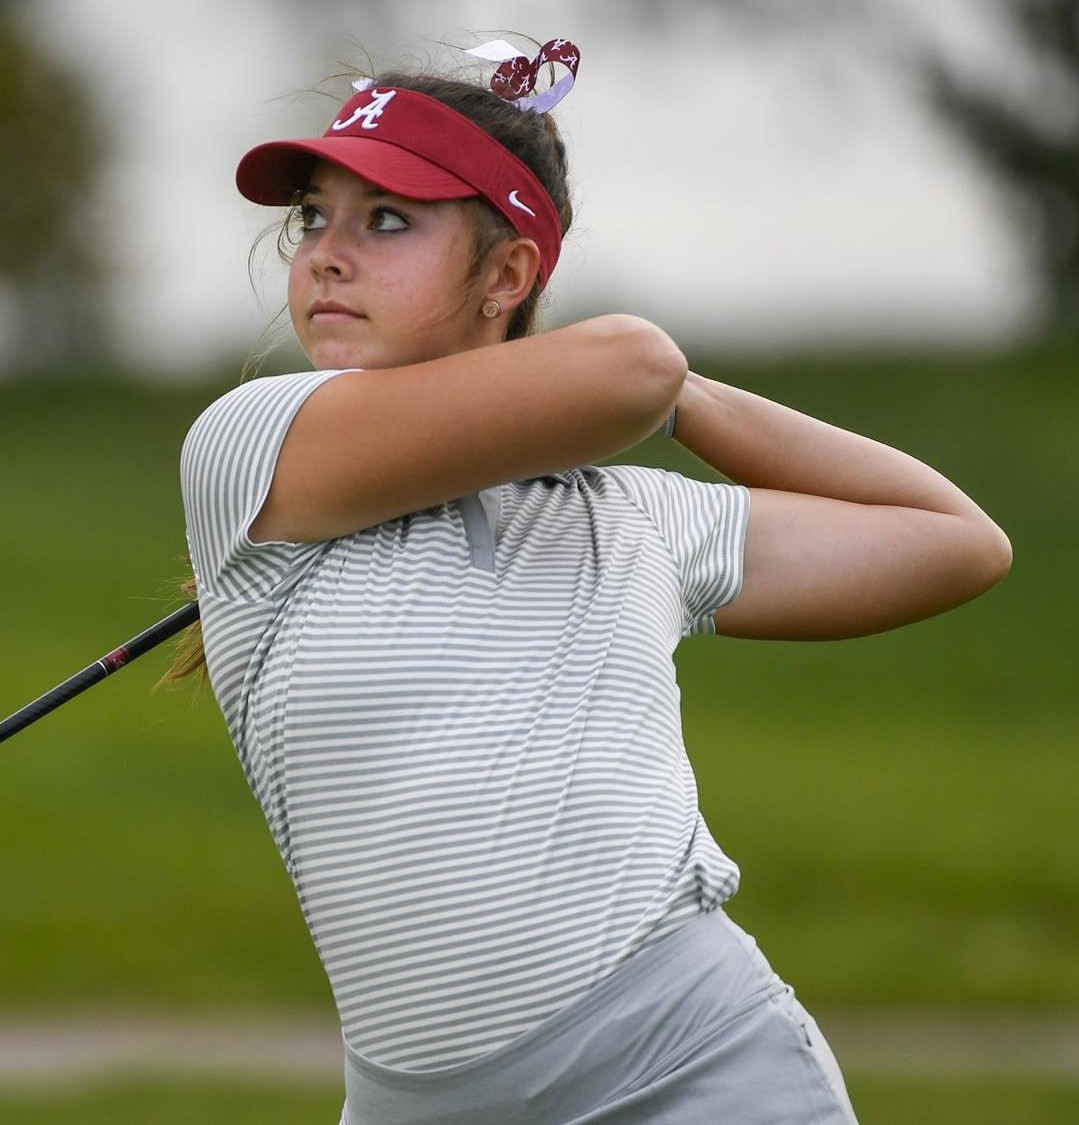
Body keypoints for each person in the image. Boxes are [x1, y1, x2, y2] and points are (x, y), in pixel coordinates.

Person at [168, 37, 1011, 1125]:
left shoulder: (632, 517)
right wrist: (638, 392)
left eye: (383, 220)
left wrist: (687, 402)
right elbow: (628, 367)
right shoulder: (250, 445)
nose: (326, 253)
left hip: (692, 1067)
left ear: (507, 274)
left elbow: (952, 539)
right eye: (311, 219)